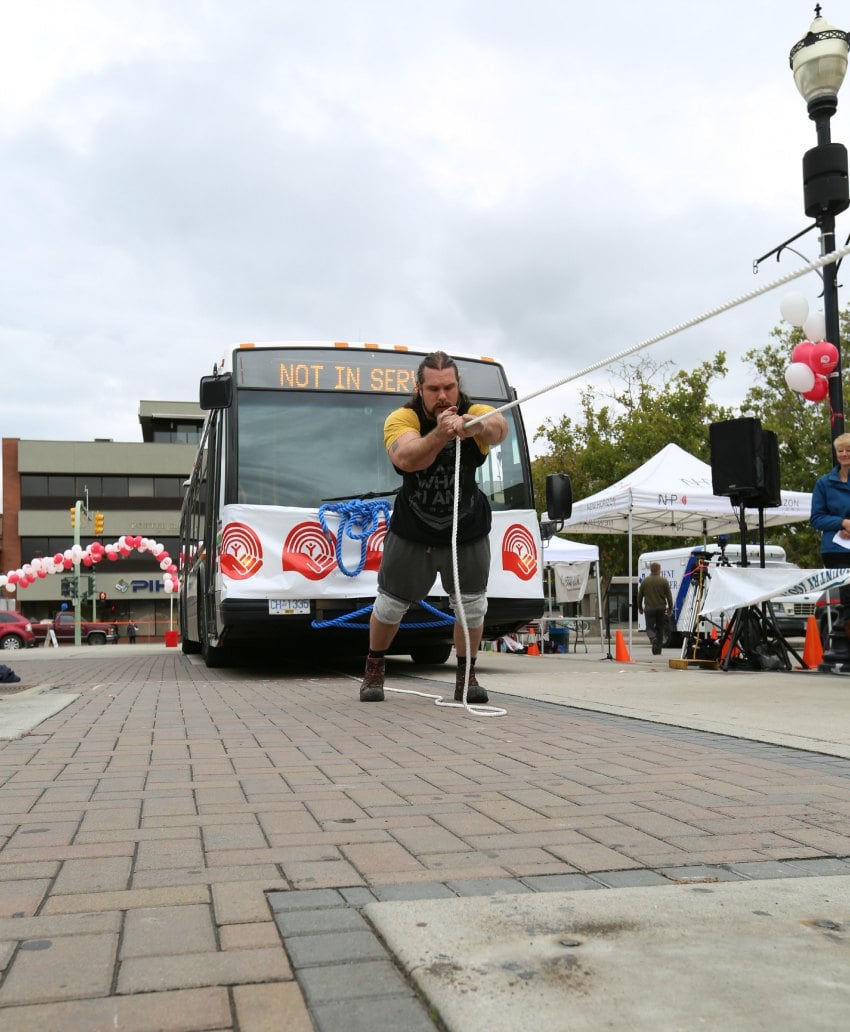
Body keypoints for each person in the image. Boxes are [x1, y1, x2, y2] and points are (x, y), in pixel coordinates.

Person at [359, 351, 509, 703]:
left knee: (472, 606)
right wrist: (441, 434)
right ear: (419, 389)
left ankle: (466, 678)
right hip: (414, 529)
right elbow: (407, 458)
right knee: (389, 607)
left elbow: (499, 428)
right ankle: (374, 668)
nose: (443, 396)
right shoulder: (402, 418)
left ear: (458, 386)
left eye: (449, 387)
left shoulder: (476, 411)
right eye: (434, 388)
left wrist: (473, 425)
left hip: (467, 528)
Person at [810, 432, 850, 657]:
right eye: (840, 451)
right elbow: (816, 517)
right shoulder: (824, 483)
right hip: (836, 549)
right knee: (847, 598)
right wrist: (841, 523)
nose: (844, 454)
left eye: (848, 450)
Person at [637, 561, 673, 656]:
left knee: (649, 627)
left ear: (651, 569)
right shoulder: (664, 581)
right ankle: (658, 651)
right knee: (660, 629)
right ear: (659, 570)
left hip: (649, 609)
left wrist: (640, 607)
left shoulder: (645, 581)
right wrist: (670, 608)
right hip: (661, 608)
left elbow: (639, 596)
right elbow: (669, 596)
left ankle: (653, 639)